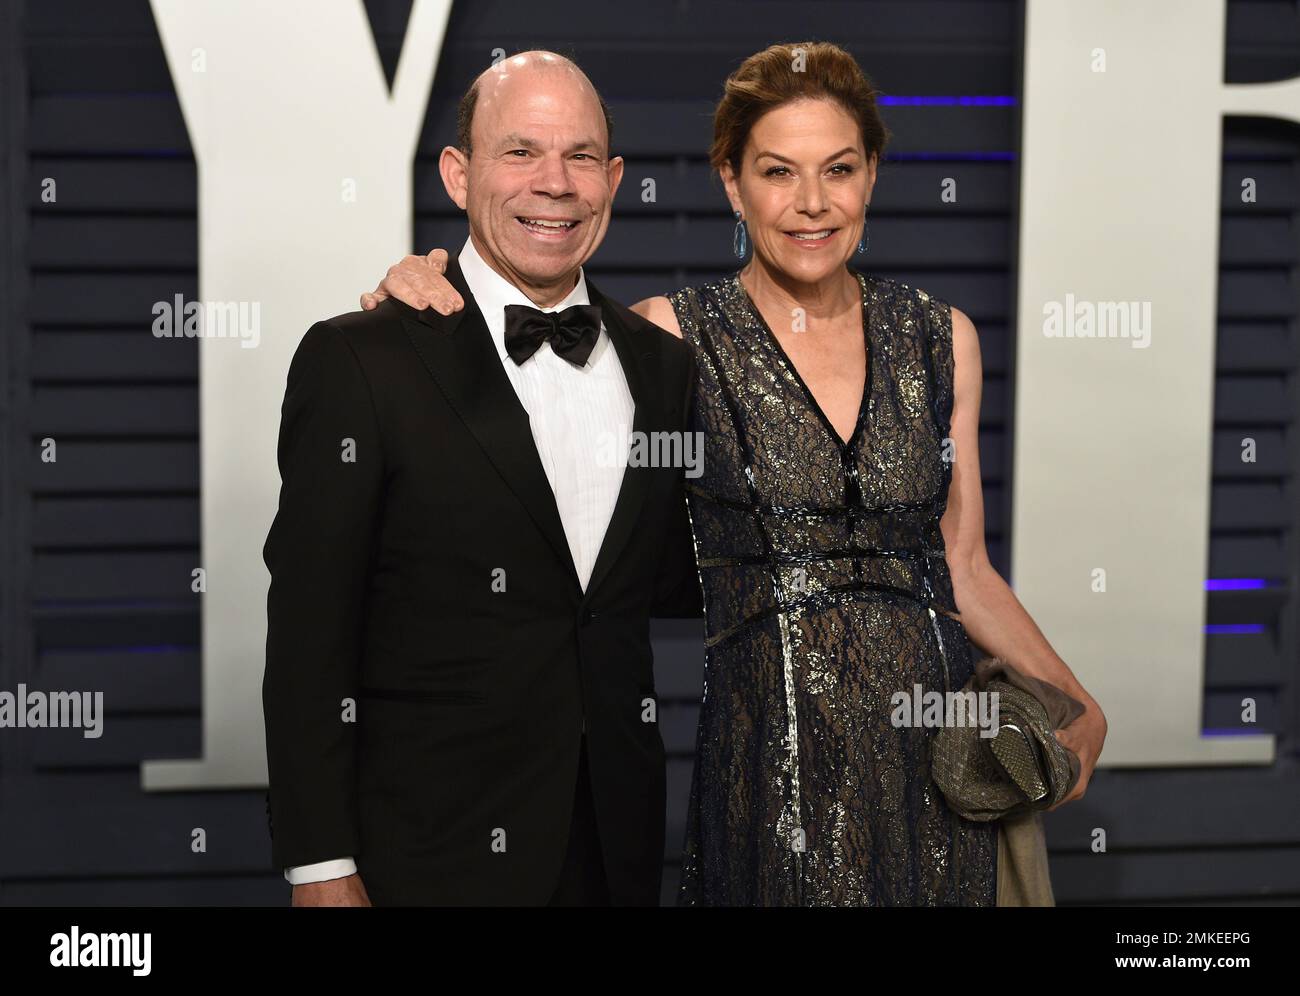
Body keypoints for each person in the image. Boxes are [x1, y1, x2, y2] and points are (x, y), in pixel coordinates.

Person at [362, 41, 1108, 906]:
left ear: (872, 176)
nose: (812, 203)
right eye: (777, 172)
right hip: (771, 765)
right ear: (731, 181)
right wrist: (420, 286)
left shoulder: (943, 338)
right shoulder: (668, 336)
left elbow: (963, 565)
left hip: (934, 770)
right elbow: (521, 366)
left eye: (840, 168)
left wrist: (1075, 697)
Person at [262, 50, 701, 907]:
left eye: (581, 156)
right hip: (422, 857)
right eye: (521, 152)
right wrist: (319, 863)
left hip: (617, 851)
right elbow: (310, 630)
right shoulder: (363, 359)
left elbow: (676, 581)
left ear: (613, 180)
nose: (556, 182)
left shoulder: (663, 367)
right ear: (459, 174)